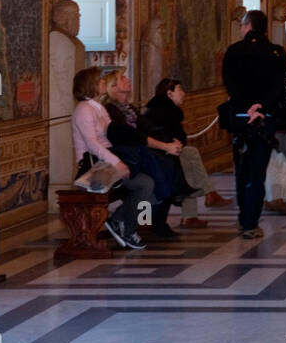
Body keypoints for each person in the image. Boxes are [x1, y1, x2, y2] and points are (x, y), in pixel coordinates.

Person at [221, 9, 286, 239]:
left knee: (242, 169)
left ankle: (244, 217)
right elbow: (280, 85)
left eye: (242, 25)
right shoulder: (277, 53)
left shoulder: (233, 51)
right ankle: (251, 221)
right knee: (258, 172)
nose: (241, 29)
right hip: (265, 118)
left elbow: (230, 84)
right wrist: (260, 106)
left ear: (248, 26)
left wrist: (246, 106)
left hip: (241, 118)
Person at [70, 67, 154, 250]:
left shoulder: (97, 107)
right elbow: (93, 144)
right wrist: (117, 163)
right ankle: (124, 225)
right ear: (90, 85)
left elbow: (112, 132)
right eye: (99, 81)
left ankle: (120, 221)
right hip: (92, 169)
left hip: (106, 162)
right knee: (144, 183)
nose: (103, 83)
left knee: (147, 179)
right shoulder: (84, 110)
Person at [103, 73, 187, 238]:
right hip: (125, 158)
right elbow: (131, 136)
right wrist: (164, 146)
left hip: (137, 154)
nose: (127, 79)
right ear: (113, 87)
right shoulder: (110, 110)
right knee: (157, 176)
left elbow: (148, 128)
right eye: (122, 78)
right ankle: (146, 221)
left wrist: (169, 141)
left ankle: (153, 220)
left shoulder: (129, 107)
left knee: (167, 165)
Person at [143, 78, 230, 229]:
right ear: (169, 94)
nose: (184, 94)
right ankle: (208, 195)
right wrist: (172, 144)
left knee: (189, 158)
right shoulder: (164, 112)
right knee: (189, 157)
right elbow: (169, 137)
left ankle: (195, 211)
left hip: (166, 151)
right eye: (180, 90)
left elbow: (179, 139)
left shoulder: (166, 110)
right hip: (158, 155)